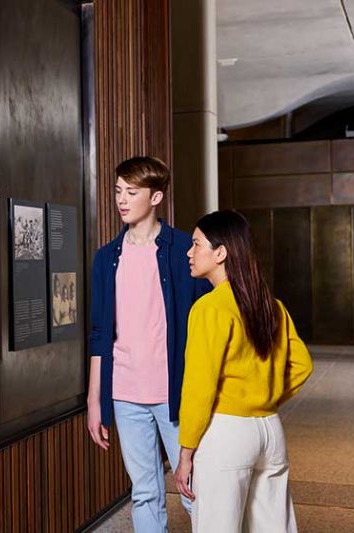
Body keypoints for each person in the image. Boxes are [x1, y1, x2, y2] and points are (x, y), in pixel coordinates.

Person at [87, 156, 211, 532]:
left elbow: (209, 320)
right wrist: (95, 400)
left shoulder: (183, 250)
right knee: (143, 492)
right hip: (125, 394)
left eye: (132, 192)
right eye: (118, 191)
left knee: (195, 491)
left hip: (175, 392)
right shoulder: (107, 258)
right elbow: (99, 334)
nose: (122, 200)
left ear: (156, 197)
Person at [174, 210, 313, 533]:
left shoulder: (209, 308)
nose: (189, 252)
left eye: (196, 244)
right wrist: (264, 395)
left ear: (220, 253)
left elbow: (199, 387)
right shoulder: (270, 304)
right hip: (270, 430)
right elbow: (303, 365)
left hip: (226, 433)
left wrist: (186, 454)